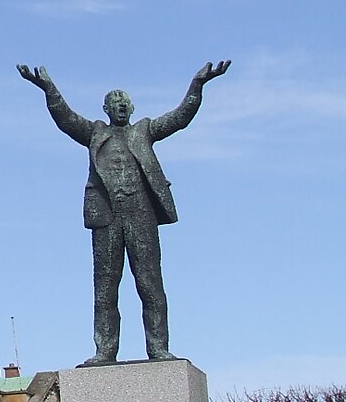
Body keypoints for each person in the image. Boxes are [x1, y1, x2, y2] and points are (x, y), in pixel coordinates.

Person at [17, 60, 230, 365]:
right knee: (105, 288)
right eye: (115, 103)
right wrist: (48, 88)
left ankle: (158, 347)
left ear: (131, 108)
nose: (120, 106)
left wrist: (197, 85)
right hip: (106, 217)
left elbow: (180, 117)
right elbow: (65, 118)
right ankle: (105, 350)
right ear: (106, 109)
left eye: (124, 103)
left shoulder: (144, 130)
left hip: (140, 215)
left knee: (150, 284)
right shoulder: (94, 133)